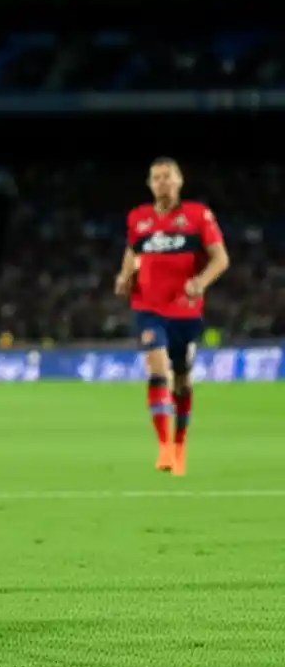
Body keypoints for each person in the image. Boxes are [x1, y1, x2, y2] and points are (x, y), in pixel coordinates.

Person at [114, 157, 229, 476]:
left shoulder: (197, 216)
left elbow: (221, 259)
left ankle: (180, 444)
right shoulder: (138, 218)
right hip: (148, 308)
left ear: (179, 181)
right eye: (156, 177)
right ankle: (163, 446)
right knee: (156, 367)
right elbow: (133, 250)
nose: (162, 182)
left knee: (181, 379)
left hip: (185, 310)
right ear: (150, 184)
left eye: (168, 176)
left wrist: (200, 282)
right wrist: (124, 276)